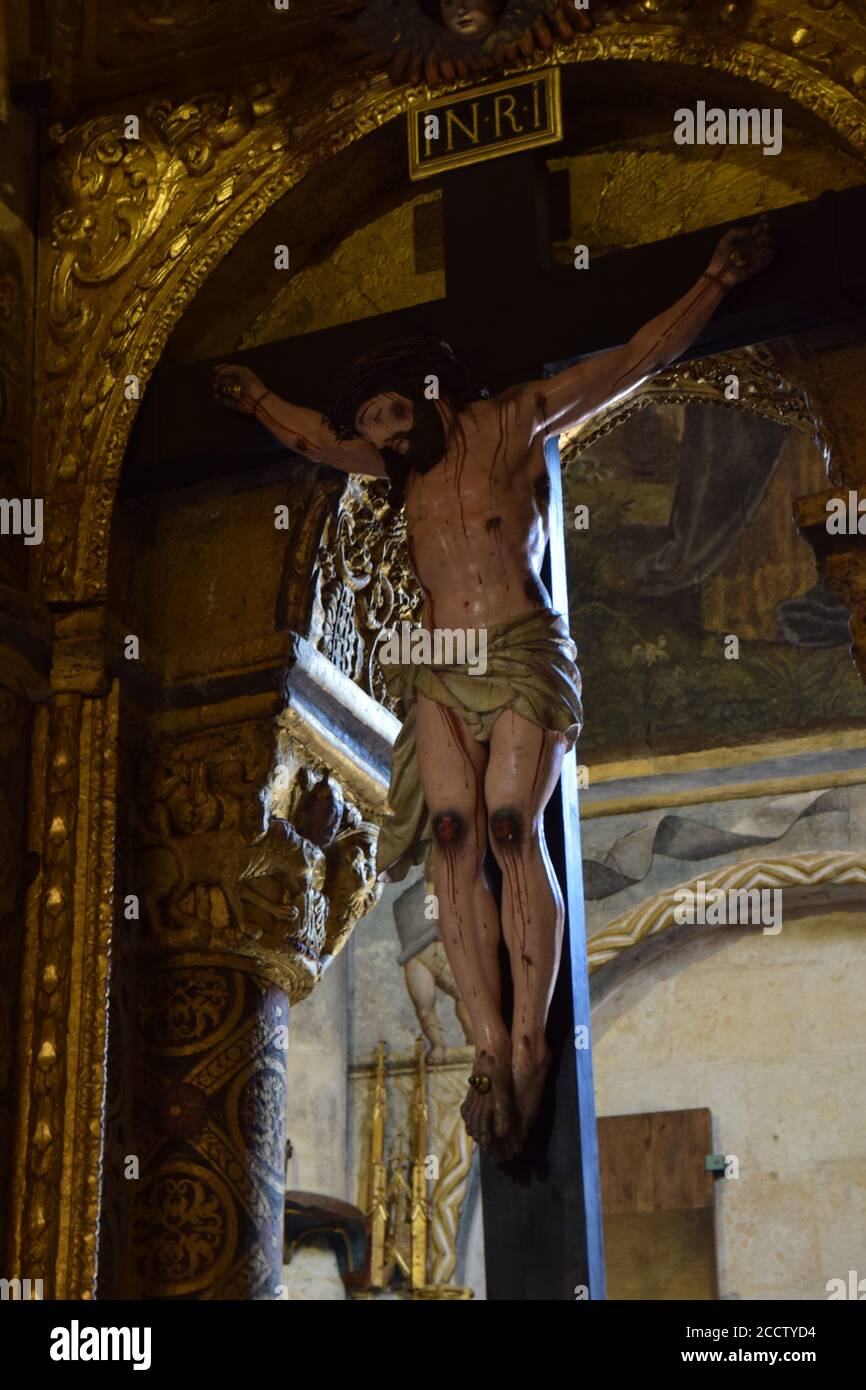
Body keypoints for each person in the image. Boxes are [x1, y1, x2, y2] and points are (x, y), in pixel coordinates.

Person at [213, 218, 774, 1156]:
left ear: (431, 393)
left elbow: (634, 358)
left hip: (518, 646)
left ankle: (530, 1043)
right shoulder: (390, 461)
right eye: (376, 429)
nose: (387, 440)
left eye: (395, 415)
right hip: (440, 664)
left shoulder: (515, 419)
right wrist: (255, 395)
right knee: (451, 835)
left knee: (511, 827)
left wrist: (714, 279)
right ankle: (484, 1047)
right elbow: (313, 437)